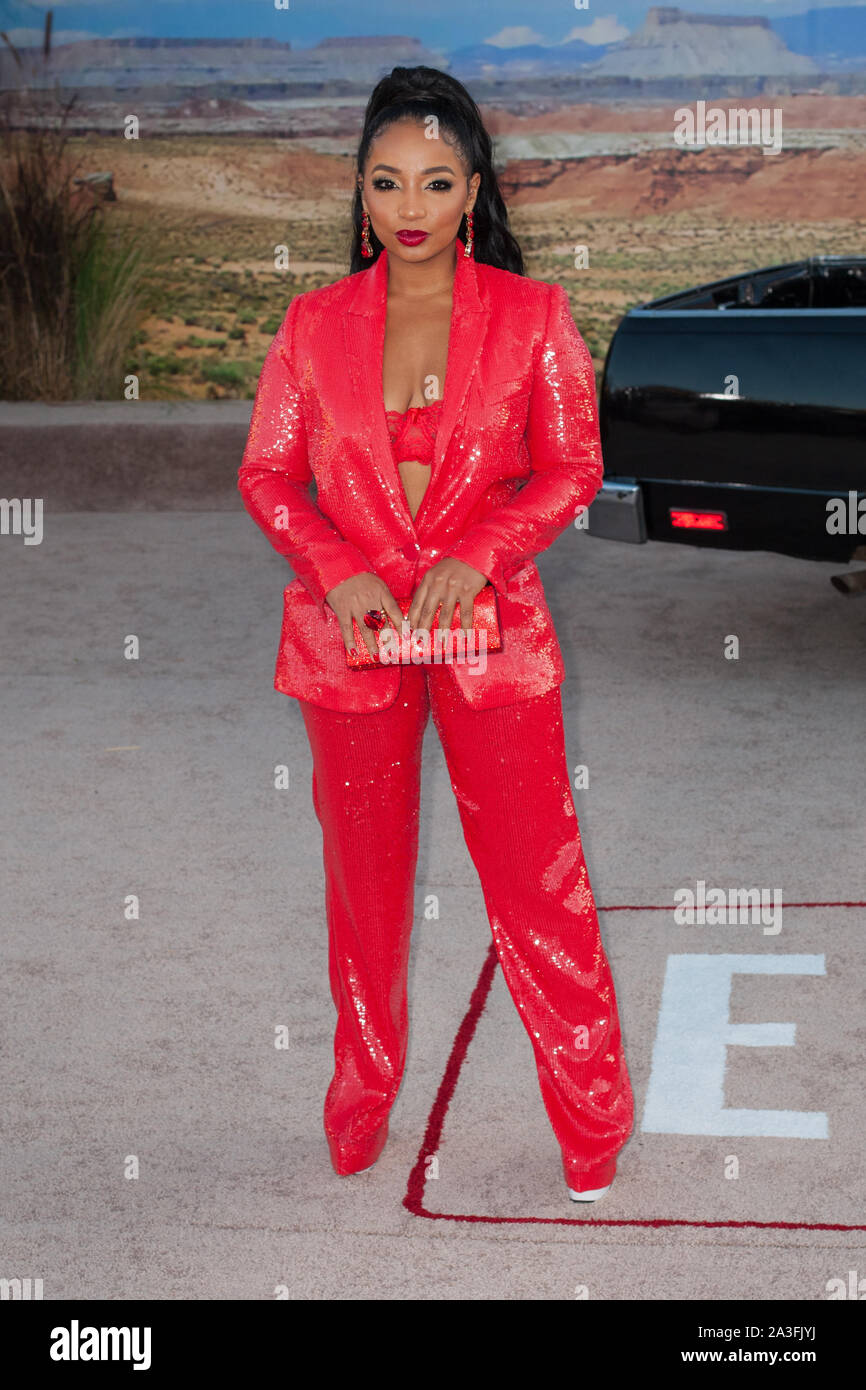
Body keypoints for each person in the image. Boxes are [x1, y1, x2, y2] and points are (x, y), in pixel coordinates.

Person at [238, 65, 634, 1203]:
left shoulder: (533, 317)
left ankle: (590, 1123)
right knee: (363, 893)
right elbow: (266, 472)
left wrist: (482, 551)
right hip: (349, 646)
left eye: (434, 182)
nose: (408, 206)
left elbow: (574, 468)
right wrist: (337, 565)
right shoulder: (310, 326)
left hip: (488, 639)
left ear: (472, 194)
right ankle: (358, 1105)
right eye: (384, 182)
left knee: (537, 882)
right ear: (360, 195)